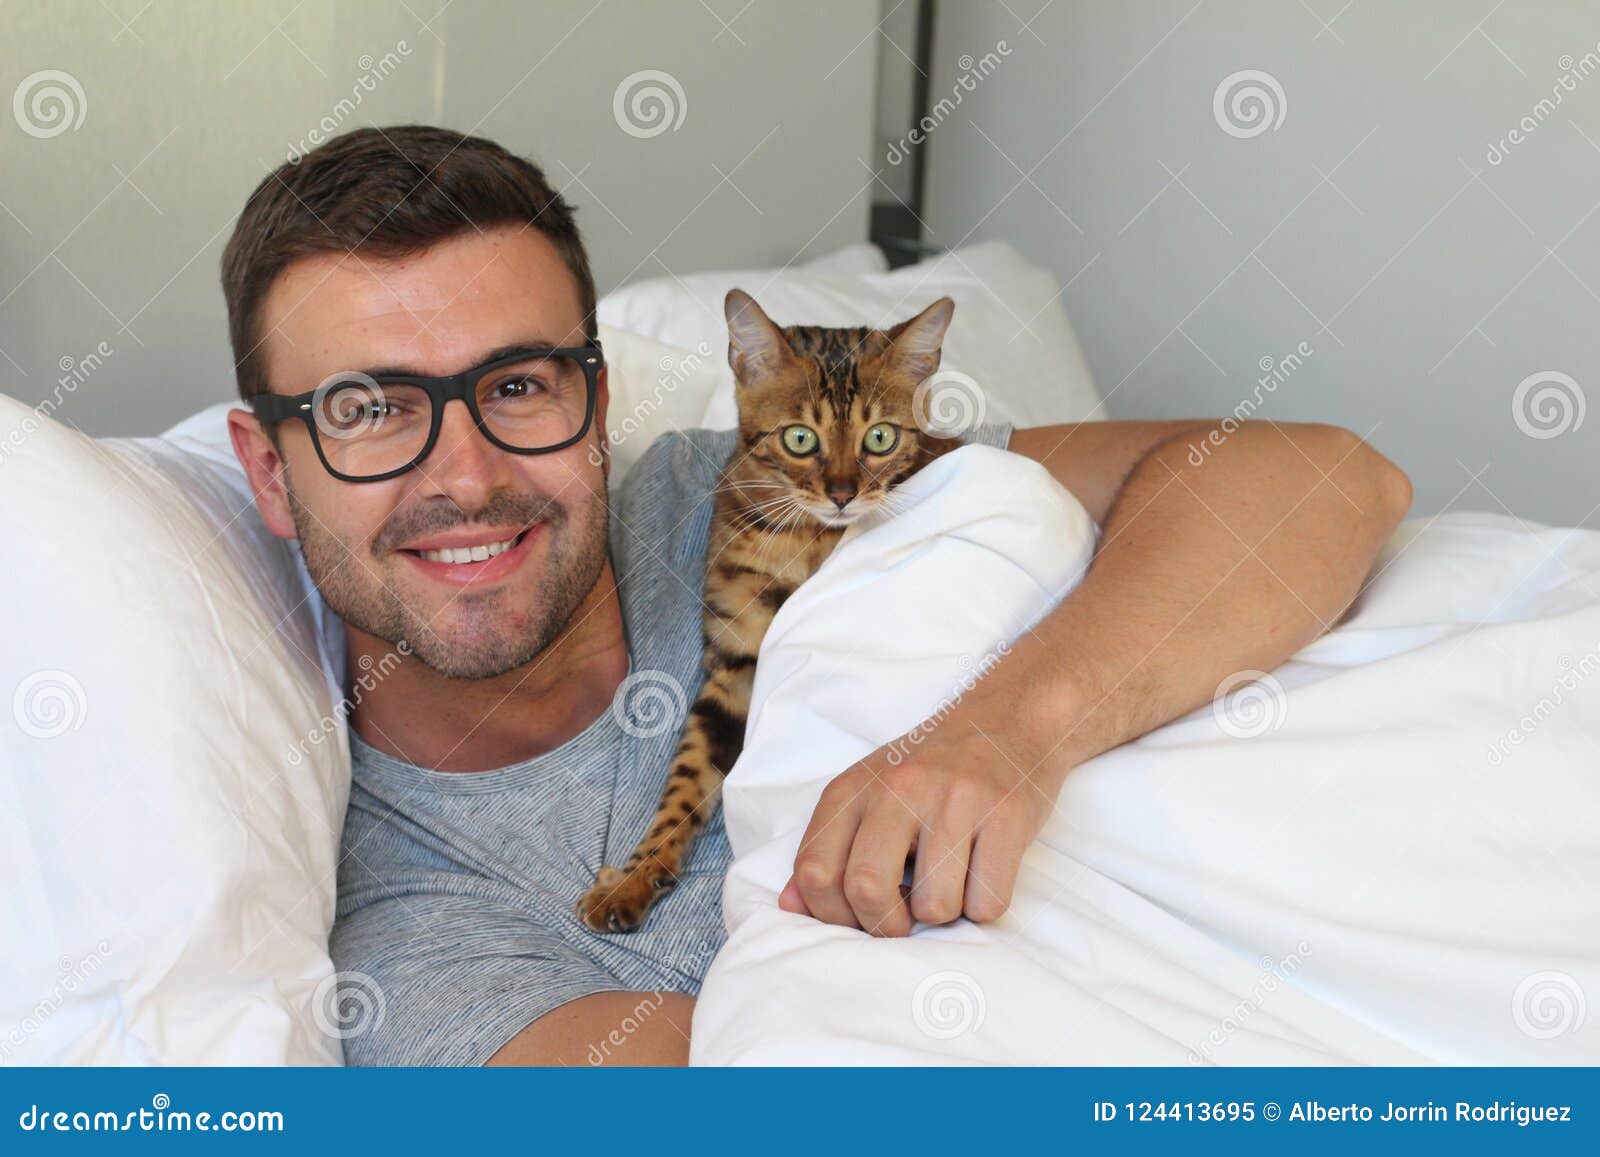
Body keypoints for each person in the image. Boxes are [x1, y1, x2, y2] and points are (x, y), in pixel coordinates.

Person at [223, 125, 1411, 1066]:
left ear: (593, 394)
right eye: (370, 408)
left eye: (520, 384)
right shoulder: (413, 924)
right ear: (270, 470)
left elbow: (1324, 479)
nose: (468, 472)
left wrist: (1008, 736)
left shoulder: (723, 485)